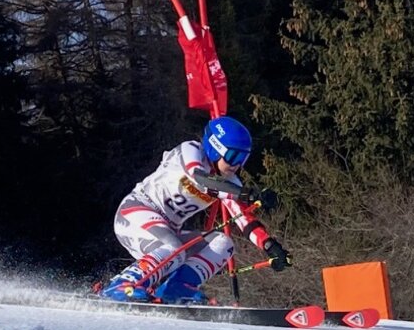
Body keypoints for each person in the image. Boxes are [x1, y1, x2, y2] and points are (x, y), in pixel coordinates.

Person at [101, 115, 291, 303]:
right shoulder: (191, 150)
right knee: (174, 247)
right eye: (233, 157)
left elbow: (244, 219)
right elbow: (201, 178)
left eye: (243, 158)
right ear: (215, 149)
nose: (237, 165)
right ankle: (121, 285)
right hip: (135, 214)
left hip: (168, 232)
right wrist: (246, 193)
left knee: (224, 243)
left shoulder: (231, 183)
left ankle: (176, 289)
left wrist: (270, 246)